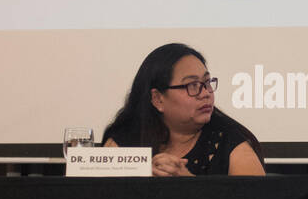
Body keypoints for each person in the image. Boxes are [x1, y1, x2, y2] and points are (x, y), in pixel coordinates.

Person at [102, 43, 265, 176]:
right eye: (192, 85)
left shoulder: (232, 144)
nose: (206, 93)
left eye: (207, 82)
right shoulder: (123, 142)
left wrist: (187, 184)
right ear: (158, 99)